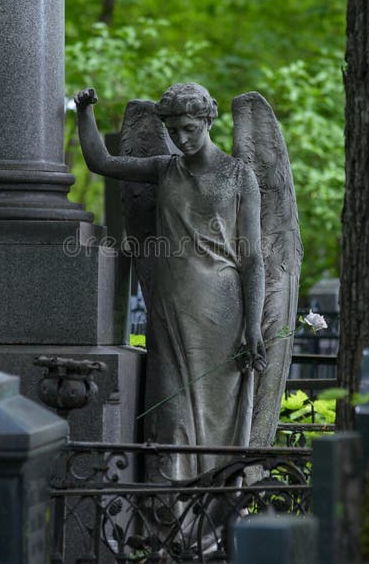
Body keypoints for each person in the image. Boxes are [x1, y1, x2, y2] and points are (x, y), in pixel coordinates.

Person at [75, 82, 266, 480]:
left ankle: (217, 506)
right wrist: (84, 113)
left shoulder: (238, 175)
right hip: (171, 305)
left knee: (220, 411)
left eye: (189, 129)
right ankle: (171, 510)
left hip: (222, 308)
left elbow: (252, 257)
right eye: (174, 130)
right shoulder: (164, 169)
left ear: (208, 120)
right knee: (173, 409)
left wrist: (253, 327)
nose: (181, 139)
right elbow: (100, 162)